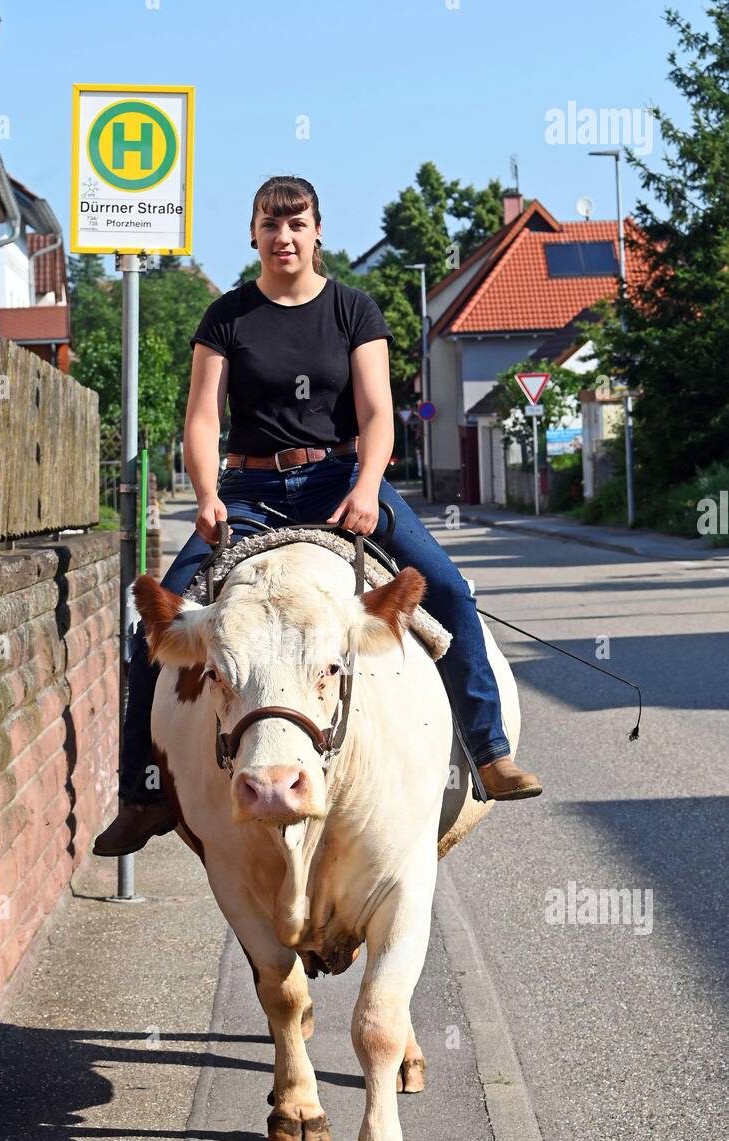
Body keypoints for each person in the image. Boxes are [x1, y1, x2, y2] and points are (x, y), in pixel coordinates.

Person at [93, 175, 541, 857]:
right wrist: (208, 494)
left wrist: (369, 487)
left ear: (317, 231)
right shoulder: (226, 316)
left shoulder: (353, 310)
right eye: (270, 225)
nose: (284, 237)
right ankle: (144, 795)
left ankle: (489, 753)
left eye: (296, 224)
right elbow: (203, 419)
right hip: (249, 492)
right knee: (154, 626)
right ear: (253, 234)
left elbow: (378, 414)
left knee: (449, 590)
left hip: (340, 478)